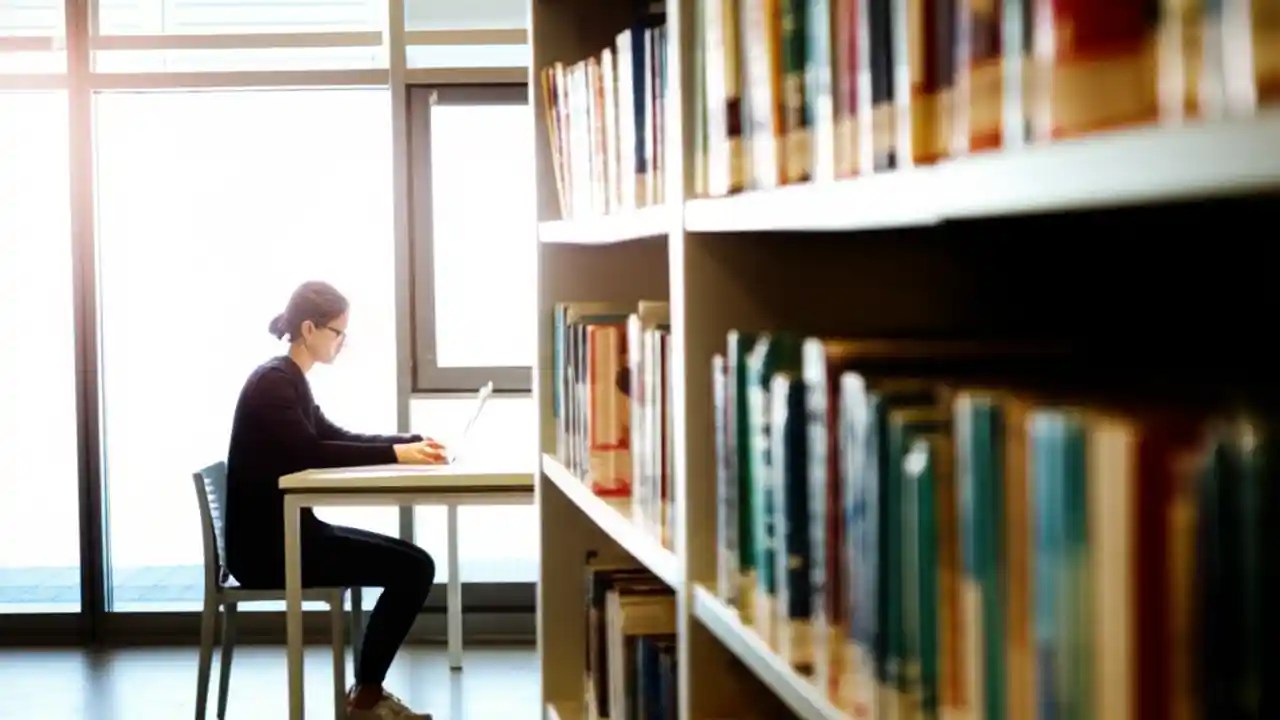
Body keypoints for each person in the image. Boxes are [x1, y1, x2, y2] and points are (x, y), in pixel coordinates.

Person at [224, 280, 443, 720]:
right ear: (309, 328)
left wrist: (407, 443)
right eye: (337, 333)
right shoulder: (274, 384)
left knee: (412, 560)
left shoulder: (290, 382)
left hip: (293, 533)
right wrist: (397, 453)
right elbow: (312, 451)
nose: (342, 343)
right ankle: (366, 698)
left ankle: (366, 691)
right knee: (415, 568)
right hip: (269, 551)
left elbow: (332, 436)